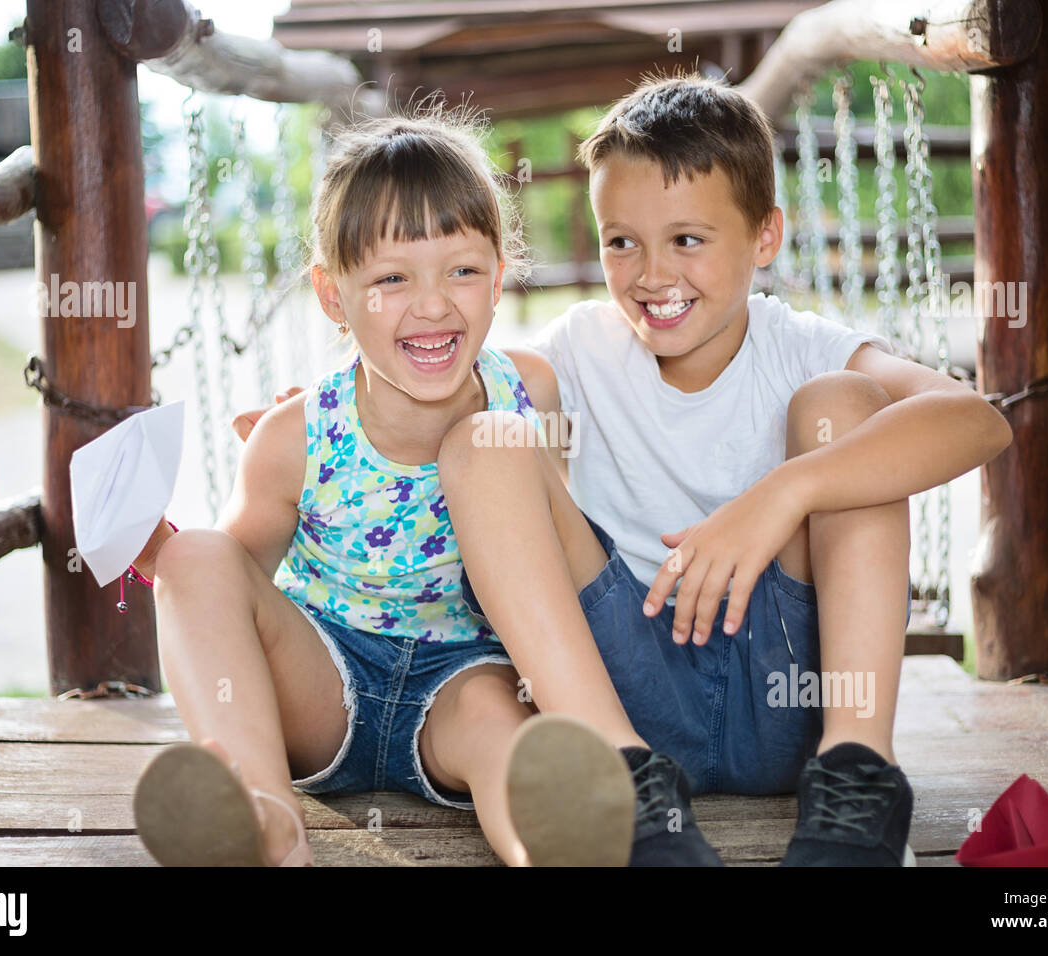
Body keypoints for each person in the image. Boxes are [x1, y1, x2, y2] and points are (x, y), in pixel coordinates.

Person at [432, 74, 1014, 866]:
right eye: (621, 240)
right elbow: (459, 390)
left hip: (790, 692)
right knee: (484, 439)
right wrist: (328, 408)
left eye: (688, 240)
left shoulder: (799, 346)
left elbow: (976, 421)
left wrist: (784, 492)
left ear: (765, 237)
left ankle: (859, 782)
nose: (650, 274)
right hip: (628, 694)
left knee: (846, 407)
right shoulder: (579, 348)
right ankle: (622, 786)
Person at [129, 108, 722, 867]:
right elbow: (235, 593)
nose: (434, 303)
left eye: (462, 270)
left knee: (506, 732)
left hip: (467, 679)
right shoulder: (296, 437)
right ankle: (264, 819)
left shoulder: (528, 396)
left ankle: (558, 844)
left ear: (499, 279)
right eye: (391, 278)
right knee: (199, 558)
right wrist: (166, 561)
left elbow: (549, 557)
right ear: (334, 296)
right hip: (324, 684)